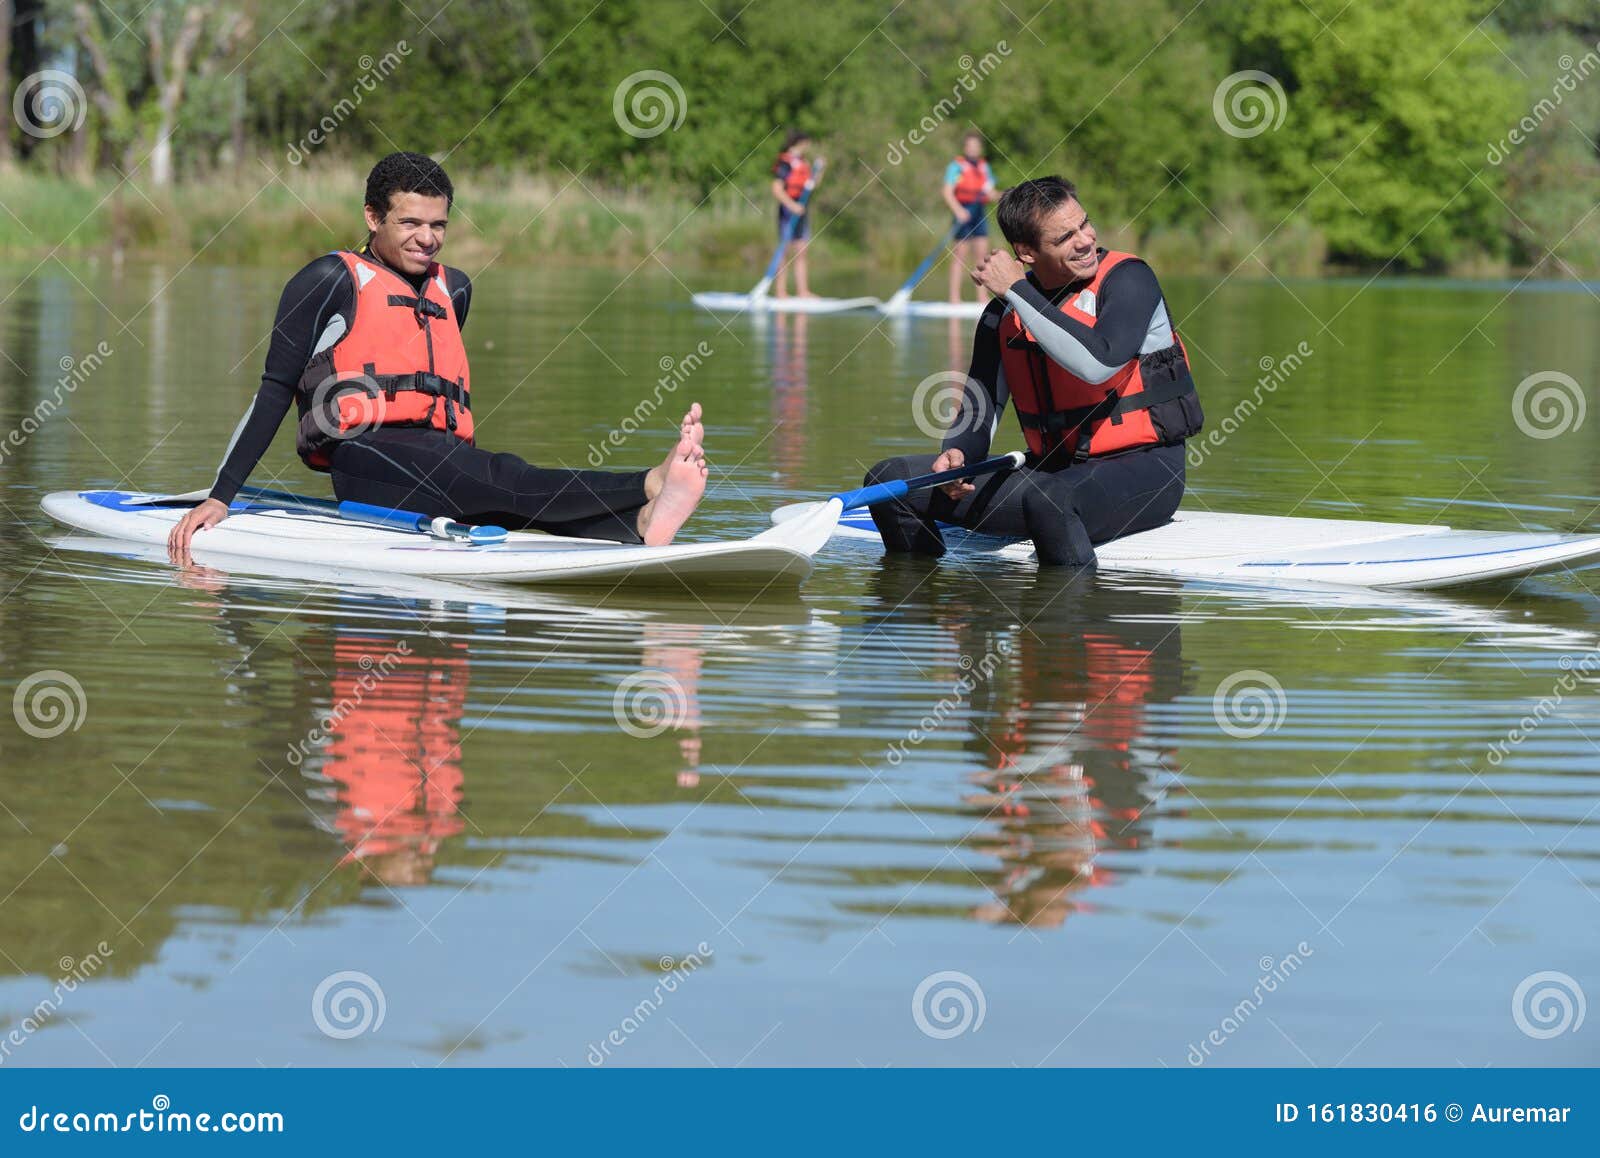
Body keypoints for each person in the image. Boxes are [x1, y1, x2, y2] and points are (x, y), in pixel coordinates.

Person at [167, 151, 708, 563]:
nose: (427, 238)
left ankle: (634, 525)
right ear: (373, 217)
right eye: (410, 223)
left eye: (439, 225)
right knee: (506, 478)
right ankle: (647, 484)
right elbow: (274, 390)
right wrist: (222, 496)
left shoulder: (457, 288)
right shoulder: (328, 280)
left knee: (500, 496)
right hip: (364, 456)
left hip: (437, 456)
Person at [863, 176, 1204, 567]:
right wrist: (956, 455)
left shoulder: (1129, 280)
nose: (1085, 240)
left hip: (1146, 470)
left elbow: (1099, 365)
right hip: (1053, 474)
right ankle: (936, 611)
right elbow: (981, 407)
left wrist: (1015, 290)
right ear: (1025, 252)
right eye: (1065, 238)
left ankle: (1061, 622)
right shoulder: (1001, 315)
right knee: (888, 484)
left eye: (1085, 224)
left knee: (1048, 500)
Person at [942, 131, 996, 304]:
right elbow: (947, 192)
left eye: (976, 146)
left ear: (979, 148)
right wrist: (958, 210)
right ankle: (954, 298)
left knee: (981, 256)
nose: (973, 149)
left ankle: (982, 297)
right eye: (970, 146)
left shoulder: (984, 167)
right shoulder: (956, 167)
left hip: (979, 213)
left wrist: (1008, 195)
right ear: (965, 147)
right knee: (960, 255)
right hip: (963, 212)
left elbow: (990, 193)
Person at [770, 130, 821, 299]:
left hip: (802, 210)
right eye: (807, 143)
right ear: (800, 142)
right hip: (788, 210)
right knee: (784, 250)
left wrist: (820, 169)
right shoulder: (785, 163)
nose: (809, 146)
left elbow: (812, 185)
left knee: (801, 250)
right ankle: (781, 292)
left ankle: (803, 291)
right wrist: (792, 206)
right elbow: (776, 189)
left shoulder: (803, 162)